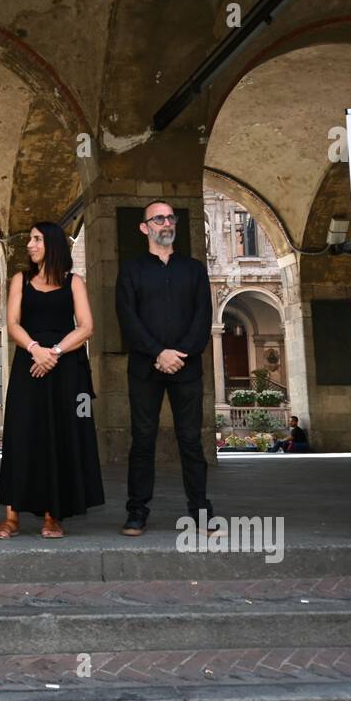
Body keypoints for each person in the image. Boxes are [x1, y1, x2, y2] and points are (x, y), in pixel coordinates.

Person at [0, 222, 103, 538]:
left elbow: (86, 327)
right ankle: (11, 517)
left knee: (59, 436)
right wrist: (34, 350)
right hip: (29, 365)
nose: (29, 244)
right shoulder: (21, 280)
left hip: (66, 367)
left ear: (52, 244)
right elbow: (12, 324)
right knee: (21, 434)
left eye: (36, 239)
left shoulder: (74, 282)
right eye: (30, 238)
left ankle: (53, 516)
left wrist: (52, 353)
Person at [115, 200, 217, 536]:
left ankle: (201, 512)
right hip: (145, 368)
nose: (166, 223)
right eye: (158, 218)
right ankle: (136, 512)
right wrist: (158, 352)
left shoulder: (194, 269)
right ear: (145, 227)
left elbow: (203, 318)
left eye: (170, 217)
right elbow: (127, 318)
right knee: (142, 440)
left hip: (186, 369)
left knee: (191, 440)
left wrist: (180, 353)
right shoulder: (131, 270)